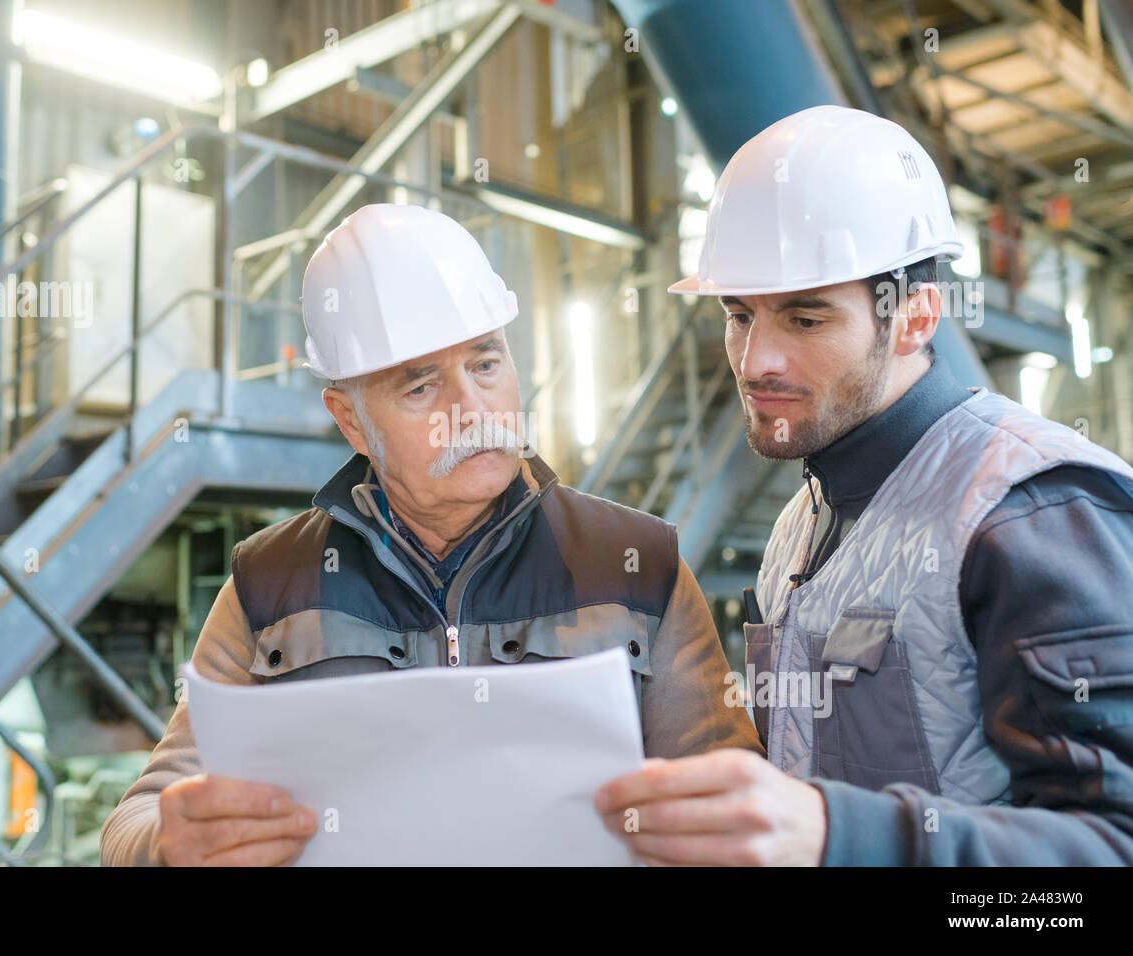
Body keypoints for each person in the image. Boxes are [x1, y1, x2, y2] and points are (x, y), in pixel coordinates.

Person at [100, 202, 761, 866]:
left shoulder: (638, 567)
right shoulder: (269, 587)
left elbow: (736, 809)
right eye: (421, 388)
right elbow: (139, 818)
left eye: (485, 364)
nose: (471, 411)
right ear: (352, 420)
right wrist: (166, 844)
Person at [595, 104, 1133, 865]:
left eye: (806, 320)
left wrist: (836, 835)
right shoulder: (799, 525)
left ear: (915, 319)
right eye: (739, 315)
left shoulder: (1030, 511)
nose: (755, 362)